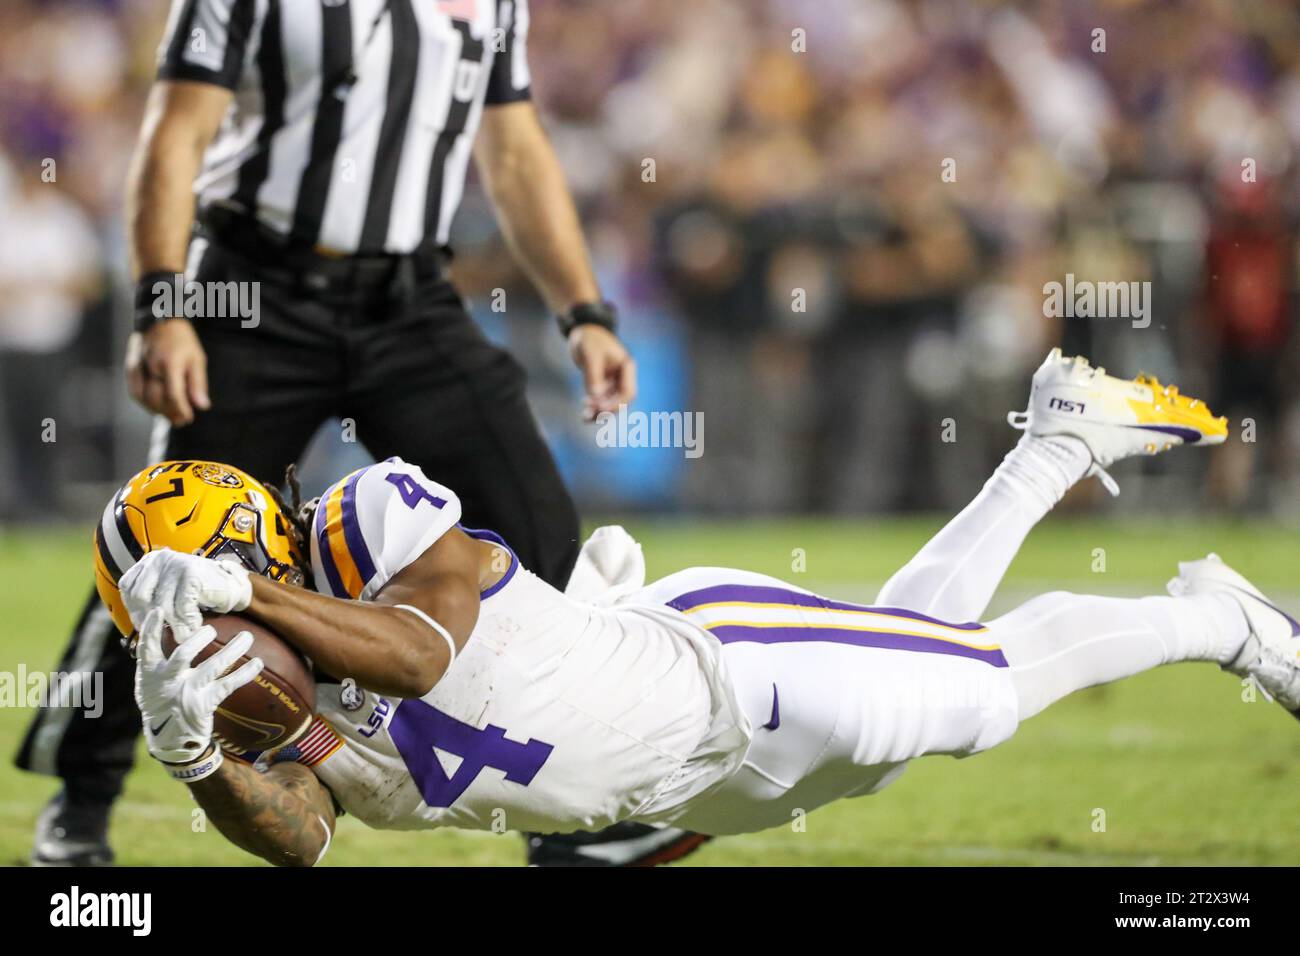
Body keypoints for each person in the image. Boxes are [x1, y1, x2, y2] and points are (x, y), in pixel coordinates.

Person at [95, 349, 1295, 864]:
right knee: (903, 716)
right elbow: (301, 836)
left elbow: (418, 654)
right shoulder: (259, 695)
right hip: (681, 783)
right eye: (163, 626)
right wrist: (191, 746)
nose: (189, 640)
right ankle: (1052, 445)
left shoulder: (366, 520)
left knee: (977, 690)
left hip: (719, 670)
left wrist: (246, 593)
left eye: (186, 607)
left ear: (243, 548)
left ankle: (1225, 617)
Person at [15, 0, 708, 869]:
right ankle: (80, 799)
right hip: (255, 287)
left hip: (408, 298)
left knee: (536, 532)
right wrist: (163, 302)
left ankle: (560, 806)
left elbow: (514, 148)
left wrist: (585, 310)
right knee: (159, 542)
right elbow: (176, 129)